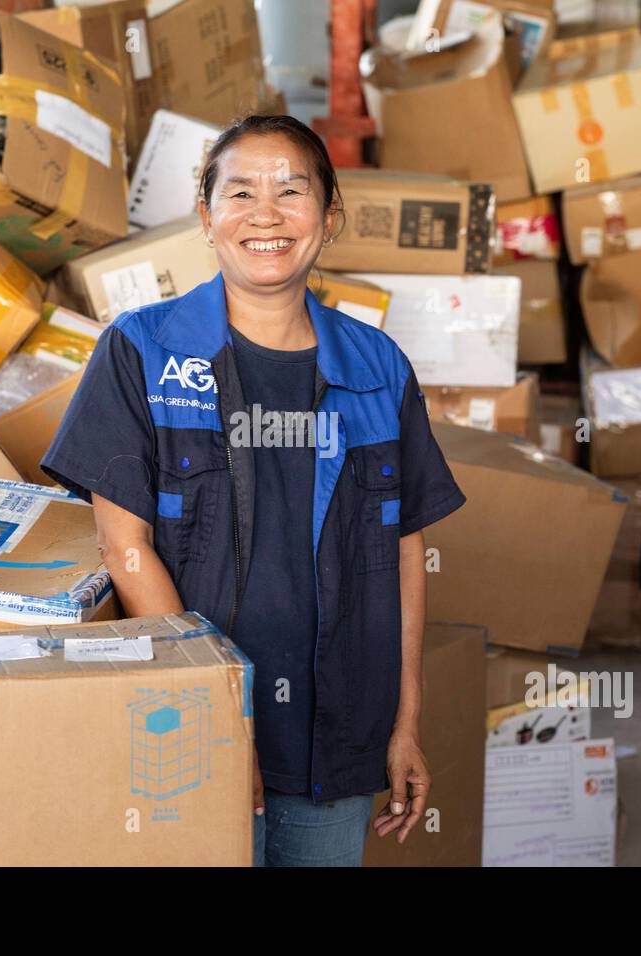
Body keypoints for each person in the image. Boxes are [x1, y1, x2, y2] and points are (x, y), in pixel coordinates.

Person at [41, 114, 465, 867]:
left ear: (329, 219)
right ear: (206, 218)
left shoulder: (379, 368)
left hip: (334, 739)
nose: (265, 214)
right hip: (186, 733)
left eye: (291, 192)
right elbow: (124, 544)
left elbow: (405, 552)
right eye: (239, 192)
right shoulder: (142, 351)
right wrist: (217, 718)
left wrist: (404, 721)